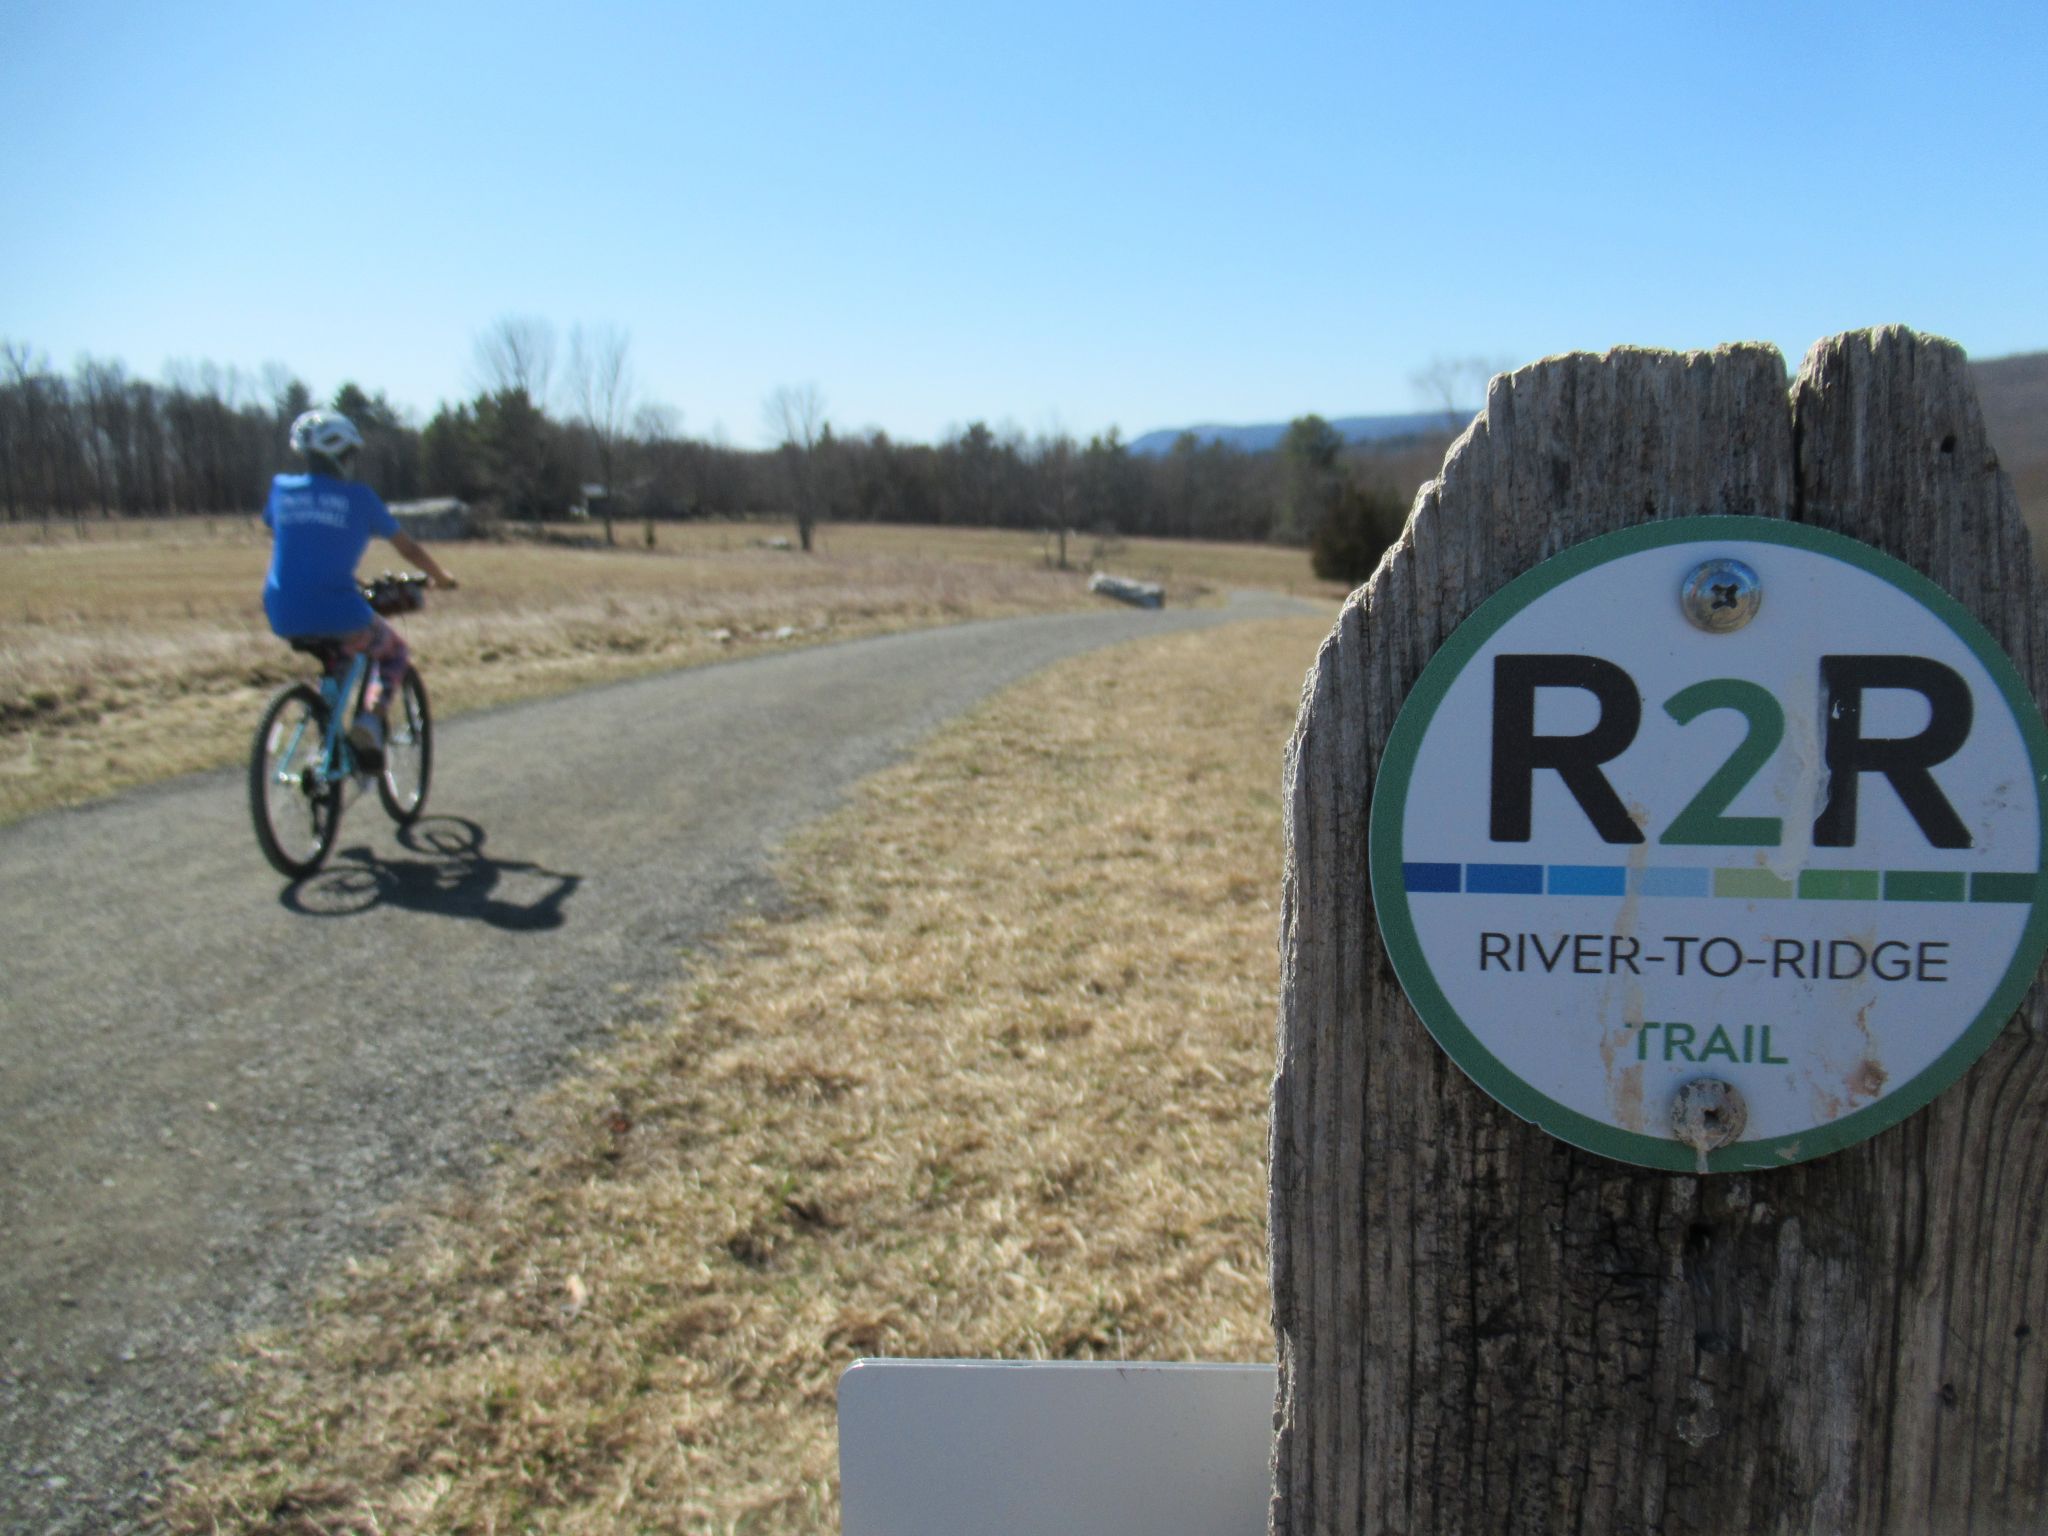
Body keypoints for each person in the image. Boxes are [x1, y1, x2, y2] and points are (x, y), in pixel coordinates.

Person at [262, 409, 457, 767]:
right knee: (394, 651)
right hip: (338, 611)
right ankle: (368, 721)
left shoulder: (281, 490)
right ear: (342, 457)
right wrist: (441, 577)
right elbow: (408, 548)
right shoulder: (360, 498)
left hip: (281, 609)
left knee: (342, 654)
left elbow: (296, 539)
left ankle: (329, 742)